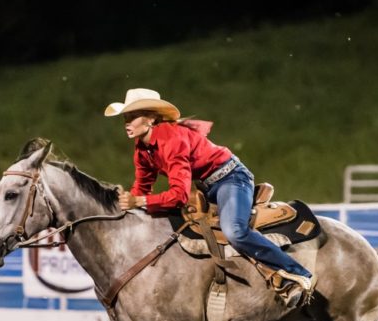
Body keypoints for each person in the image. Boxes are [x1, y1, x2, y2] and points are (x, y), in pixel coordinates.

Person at [104, 88, 313, 306]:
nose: (126, 123)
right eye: (125, 117)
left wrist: (140, 202)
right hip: (207, 187)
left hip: (231, 178)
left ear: (151, 118)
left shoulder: (171, 139)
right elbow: (142, 187)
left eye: (132, 117)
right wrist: (127, 206)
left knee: (235, 231)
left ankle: (297, 274)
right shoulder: (142, 149)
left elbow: (178, 195)